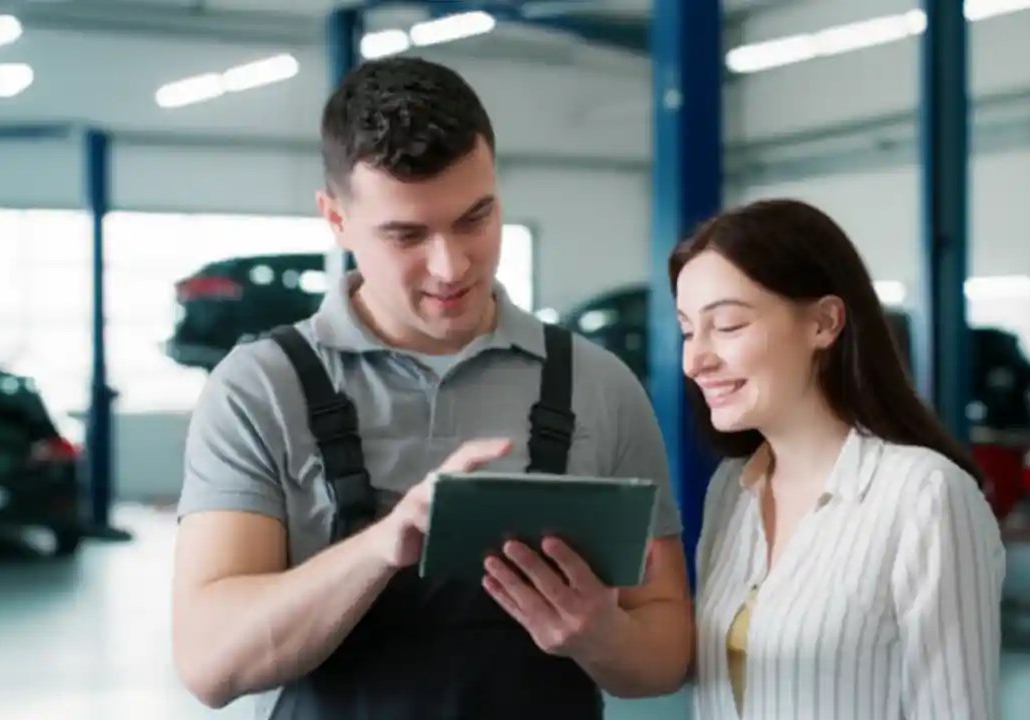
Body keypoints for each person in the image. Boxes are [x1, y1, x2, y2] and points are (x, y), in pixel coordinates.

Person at [169, 56, 693, 720]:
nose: (451, 266)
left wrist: (601, 634)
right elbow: (210, 664)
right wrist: (383, 546)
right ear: (336, 219)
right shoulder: (259, 391)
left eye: (475, 219)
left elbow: (668, 652)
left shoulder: (598, 385)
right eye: (407, 235)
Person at [673, 199, 1005, 719]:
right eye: (687, 331)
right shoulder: (731, 490)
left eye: (729, 325)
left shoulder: (925, 496)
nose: (695, 360)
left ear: (824, 323)